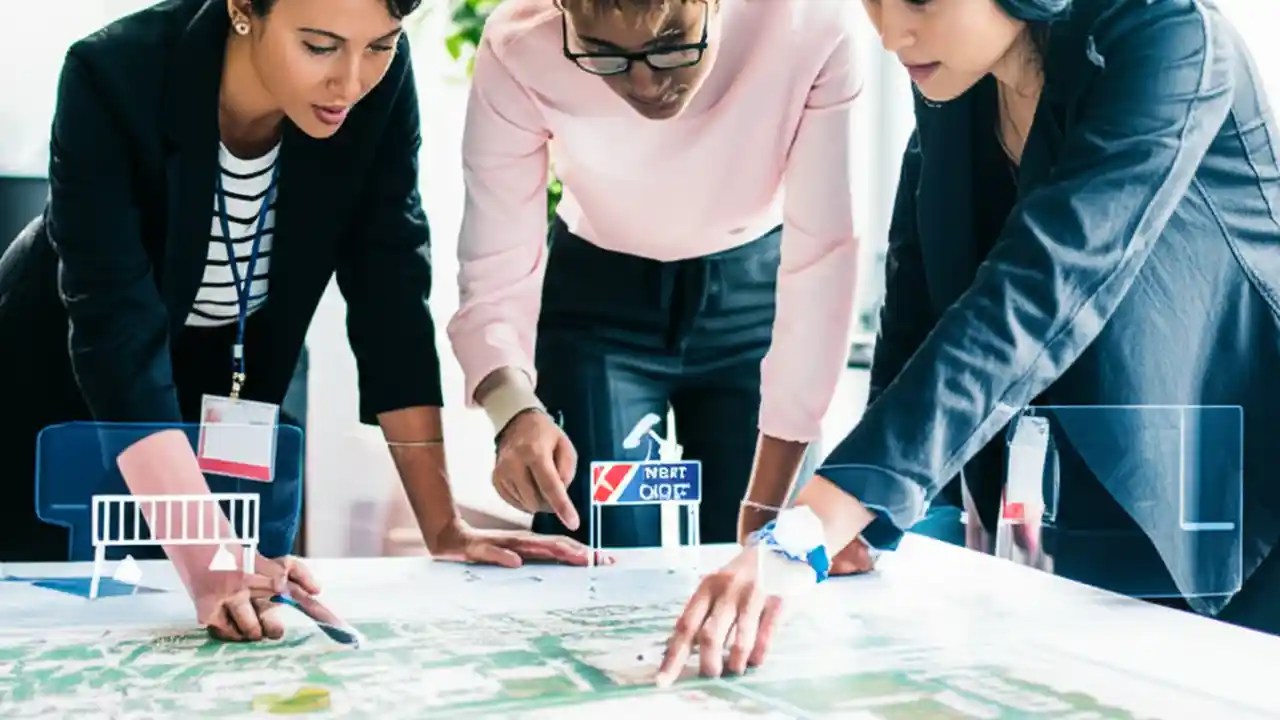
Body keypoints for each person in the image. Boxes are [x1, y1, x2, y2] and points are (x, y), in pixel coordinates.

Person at [656, 0, 1280, 684]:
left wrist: (813, 524)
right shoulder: (955, 78)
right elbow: (919, 289)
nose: (889, 32)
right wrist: (863, 515)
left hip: (1242, 503)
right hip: (1092, 509)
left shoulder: (1170, 38)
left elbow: (1043, 285)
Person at [0, 0, 596, 641]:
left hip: (222, 390)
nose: (351, 82)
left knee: (215, 632)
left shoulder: (378, 87)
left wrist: (442, 523)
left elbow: (390, 289)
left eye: (381, 45)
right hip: (58, 377)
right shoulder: (112, 72)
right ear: (242, 10)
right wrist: (209, 554)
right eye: (319, 46)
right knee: (49, 627)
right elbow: (114, 328)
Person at [446, 0, 873, 571]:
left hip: (756, 304)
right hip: (598, 305)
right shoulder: (519, 43)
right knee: (590, 562)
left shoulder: (810, 24)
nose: (644, 81)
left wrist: (775, 496)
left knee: (768, 566)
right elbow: (497, 258)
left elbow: (822, 255)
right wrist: (513, 411)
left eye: (672, 43)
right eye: (602, 53)